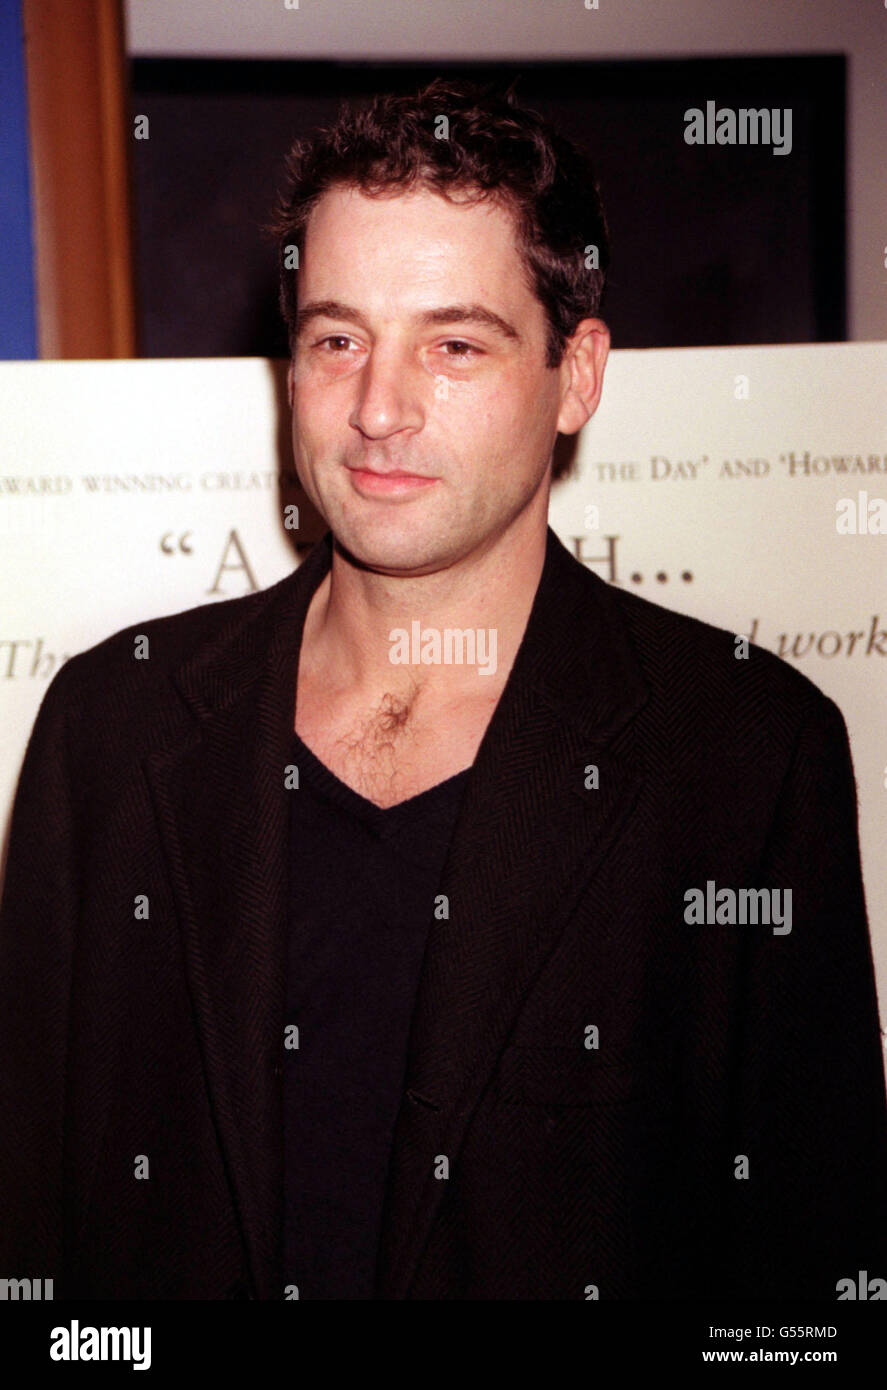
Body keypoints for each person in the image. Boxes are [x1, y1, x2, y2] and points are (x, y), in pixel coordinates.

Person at [1, 78, 885, 1301]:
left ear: (575, 375)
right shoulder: (110, 729)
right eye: (337, 338)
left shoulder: (742, 757)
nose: (377, 407)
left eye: (454, 345)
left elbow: (804, 1262)